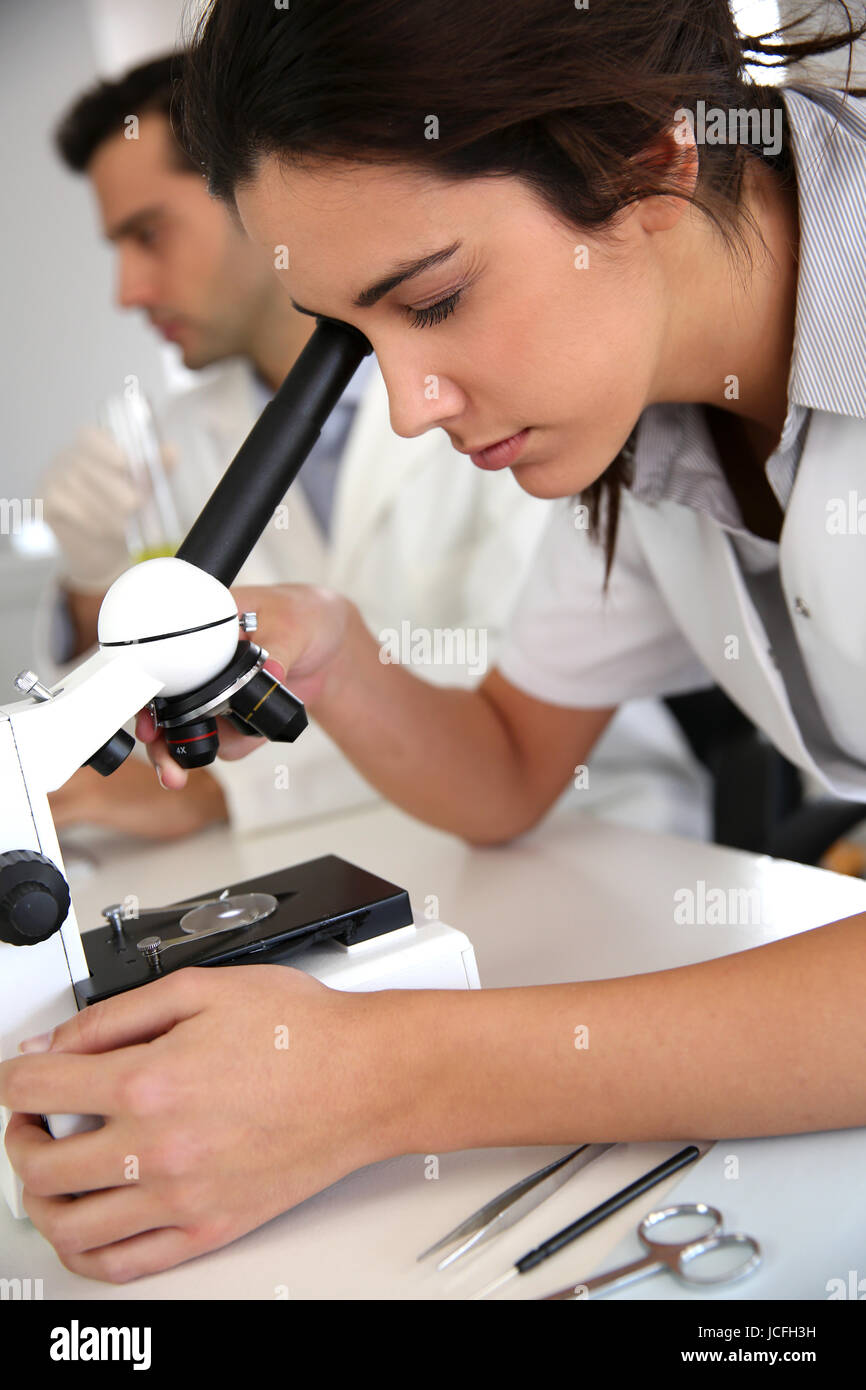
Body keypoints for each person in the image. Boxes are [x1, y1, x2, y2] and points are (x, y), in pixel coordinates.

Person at [3, 0, 864, 1285]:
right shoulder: (650, 416)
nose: (409, 408)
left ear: (646, 156)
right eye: (358, 335)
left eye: (438, 298)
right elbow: (512, 765)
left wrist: (376, 1077)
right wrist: (329, 651)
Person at [39, 53, 708, 843]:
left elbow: (500, 707)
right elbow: (151, 693)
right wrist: (92, 582)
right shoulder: (172, 448)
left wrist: (221, 794)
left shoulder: (526, 384)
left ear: (256, 207)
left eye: (149, 234)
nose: (128, 290)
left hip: (592, 836)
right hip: (343, 847)